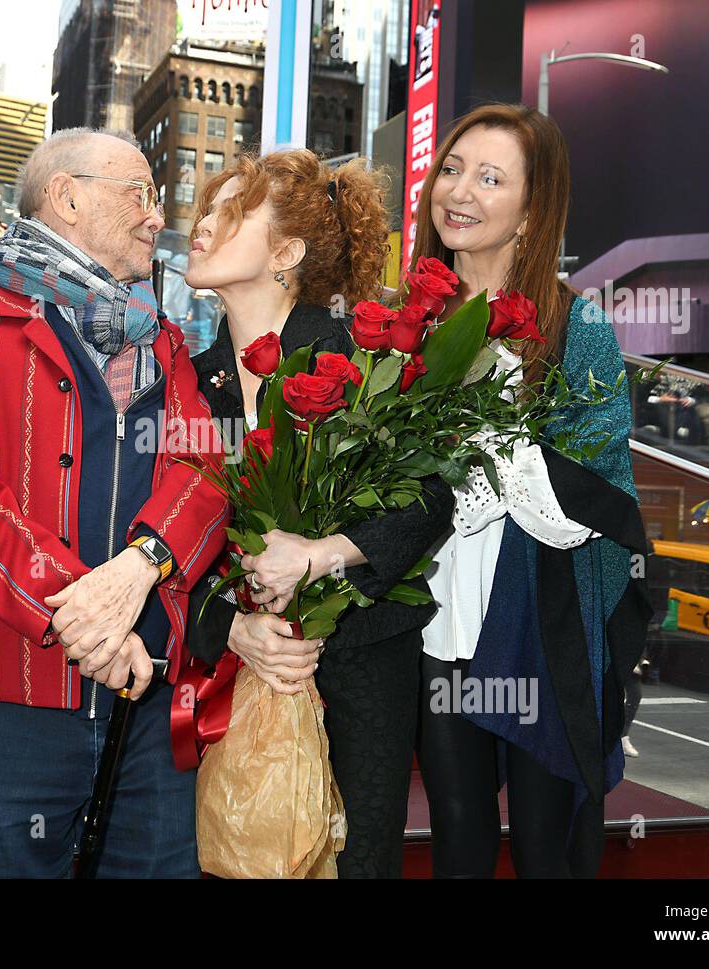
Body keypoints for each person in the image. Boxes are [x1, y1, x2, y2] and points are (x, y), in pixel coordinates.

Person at [0, 128, 229, 878]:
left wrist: (140, 568)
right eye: (141, 196)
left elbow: (207, 471)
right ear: (69, 196)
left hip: (149, 698)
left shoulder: (169, 344)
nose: (158, 218)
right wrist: (89, 620)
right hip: (14, 694)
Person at [182, 148, 455, 877]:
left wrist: (319, 552)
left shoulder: (352, 362)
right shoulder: (180, 379)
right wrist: (234, 628)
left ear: (287, 251)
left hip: (361, 670)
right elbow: (157, 546)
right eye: (205, 209)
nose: (200, 225)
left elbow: (430, 497)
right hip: (230, 678)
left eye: (227, 211)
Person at [411, 103, 650, 878]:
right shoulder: (408, 326)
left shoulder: (578, 329)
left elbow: (585, 500)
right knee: (457, 833)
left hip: (539, 629)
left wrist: (471, 455)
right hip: (438, 626)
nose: (460, 191)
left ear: (532, 209)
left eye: (490, 178)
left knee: (550, 850)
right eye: (452, 169)